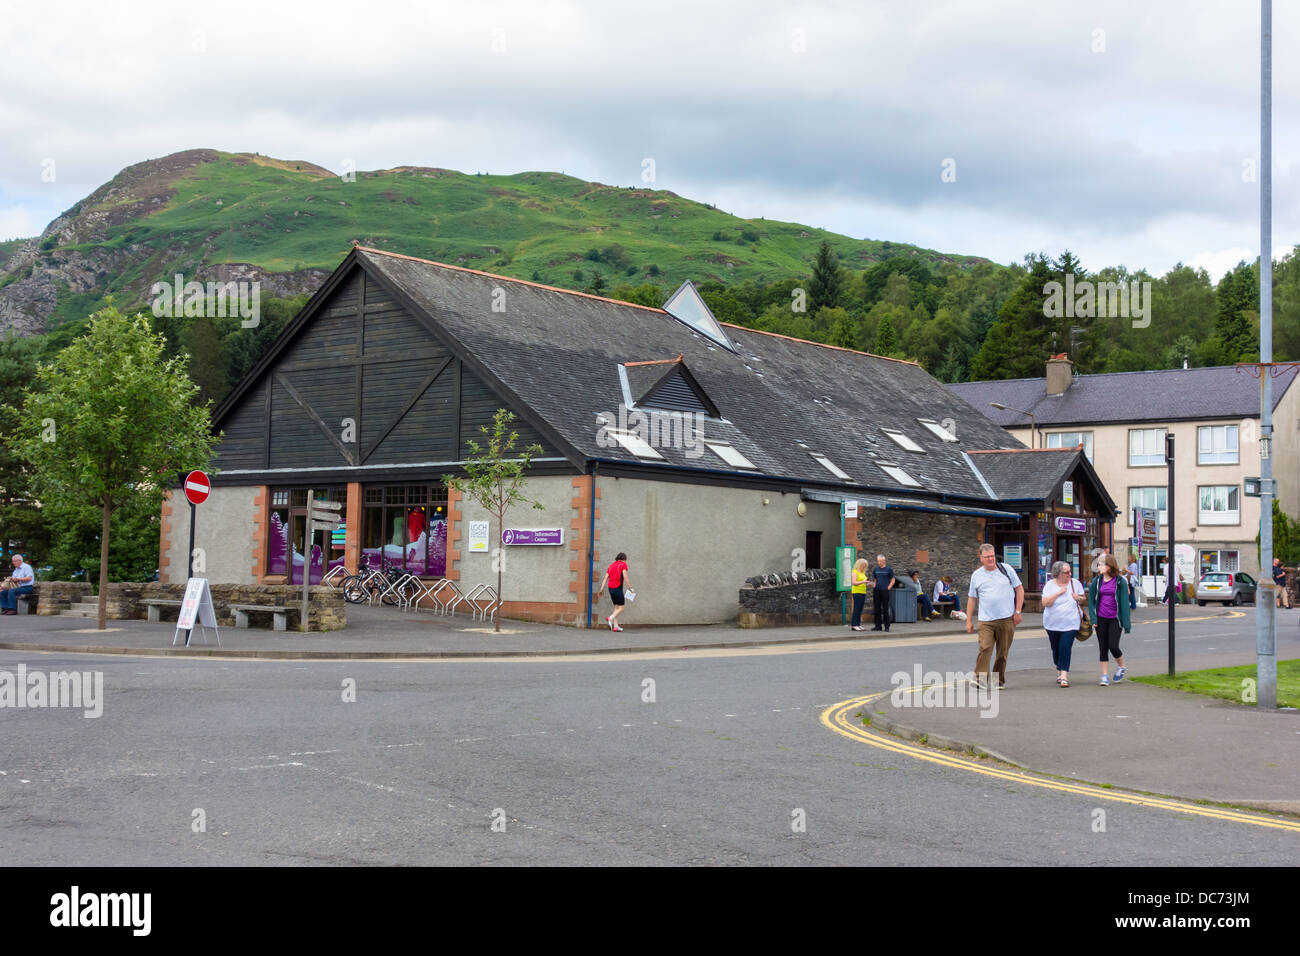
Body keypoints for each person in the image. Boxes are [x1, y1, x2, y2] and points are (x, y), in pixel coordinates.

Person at [965, 544, 1023, 688]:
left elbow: (1019, 589)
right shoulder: (977, 575)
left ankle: (998, 680)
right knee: (984, 648)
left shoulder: (1006, 569)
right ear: (981, 558)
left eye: (992, 556)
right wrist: (968, 620)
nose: (991, 559)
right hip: (986, 620)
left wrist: (1017, 611)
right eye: (987, 557)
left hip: (1006, 619)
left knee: (1002, 653)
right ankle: (980, 679)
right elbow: (972, 598)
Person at [1041, 560, 1086, 687]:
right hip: (1052, 624)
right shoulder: (1050, 585)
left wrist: (1079, 598)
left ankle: (1064, 675)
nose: (1069, 574)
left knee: (1065, 648)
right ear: (1058, 573)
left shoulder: (1075, 583)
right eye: (1066, 572)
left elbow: (1083, 599)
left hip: (1071, 623)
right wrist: (1058, 593)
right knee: (1055, 649)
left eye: (1070, 571)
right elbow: (1045, 603)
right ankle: (1059, 670)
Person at [1089, 553, 1131, 685]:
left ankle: (1121, 666)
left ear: (1108, 566)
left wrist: (1126, 623)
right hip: (1101, 618)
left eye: (1100, 564)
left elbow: (1124, 602)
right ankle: (1104, 676)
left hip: (1115, 619)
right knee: (1103, 647)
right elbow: (1091, 601)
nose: (1098, 567)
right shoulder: (1096, 582)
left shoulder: (1120, 581)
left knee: (1113, 646)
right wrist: (1093, 619)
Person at [595, 552, 630, 632]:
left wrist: (601, 589)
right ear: (623, 559)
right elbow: (625, 576)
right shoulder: (623, 564)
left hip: (610, 589)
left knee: (616, 607)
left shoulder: (611, 566)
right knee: (621, 608)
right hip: (618, 588)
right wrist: (630, 587)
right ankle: (610, 618)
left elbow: (605, 578)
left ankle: (616, 627)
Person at [870, 554, 896, 632]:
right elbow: (875, 579)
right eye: (878, 561)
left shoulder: (889, 569)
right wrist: (874, 585)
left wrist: (888, 588)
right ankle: (878, 626)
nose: (879, 562)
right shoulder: (876, 569)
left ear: (884, 561)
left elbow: (893, 580)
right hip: (877, 590)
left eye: (880, 561)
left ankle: (887, 626)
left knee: (885, 608)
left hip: (885, 590)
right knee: (877, 608)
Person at [850, 558, 869, 631]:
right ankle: (854, 625)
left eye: (865, 566)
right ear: (859, 564)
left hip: (863, 592)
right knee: (856, 609)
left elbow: (863, 582)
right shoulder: (854, 572)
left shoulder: (862, 573)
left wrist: (868, 583)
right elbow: (854, 582)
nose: (864, 567)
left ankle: (858, 624)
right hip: (857, 592)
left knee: (860, 609)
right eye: (863, 565)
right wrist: (863, 581)